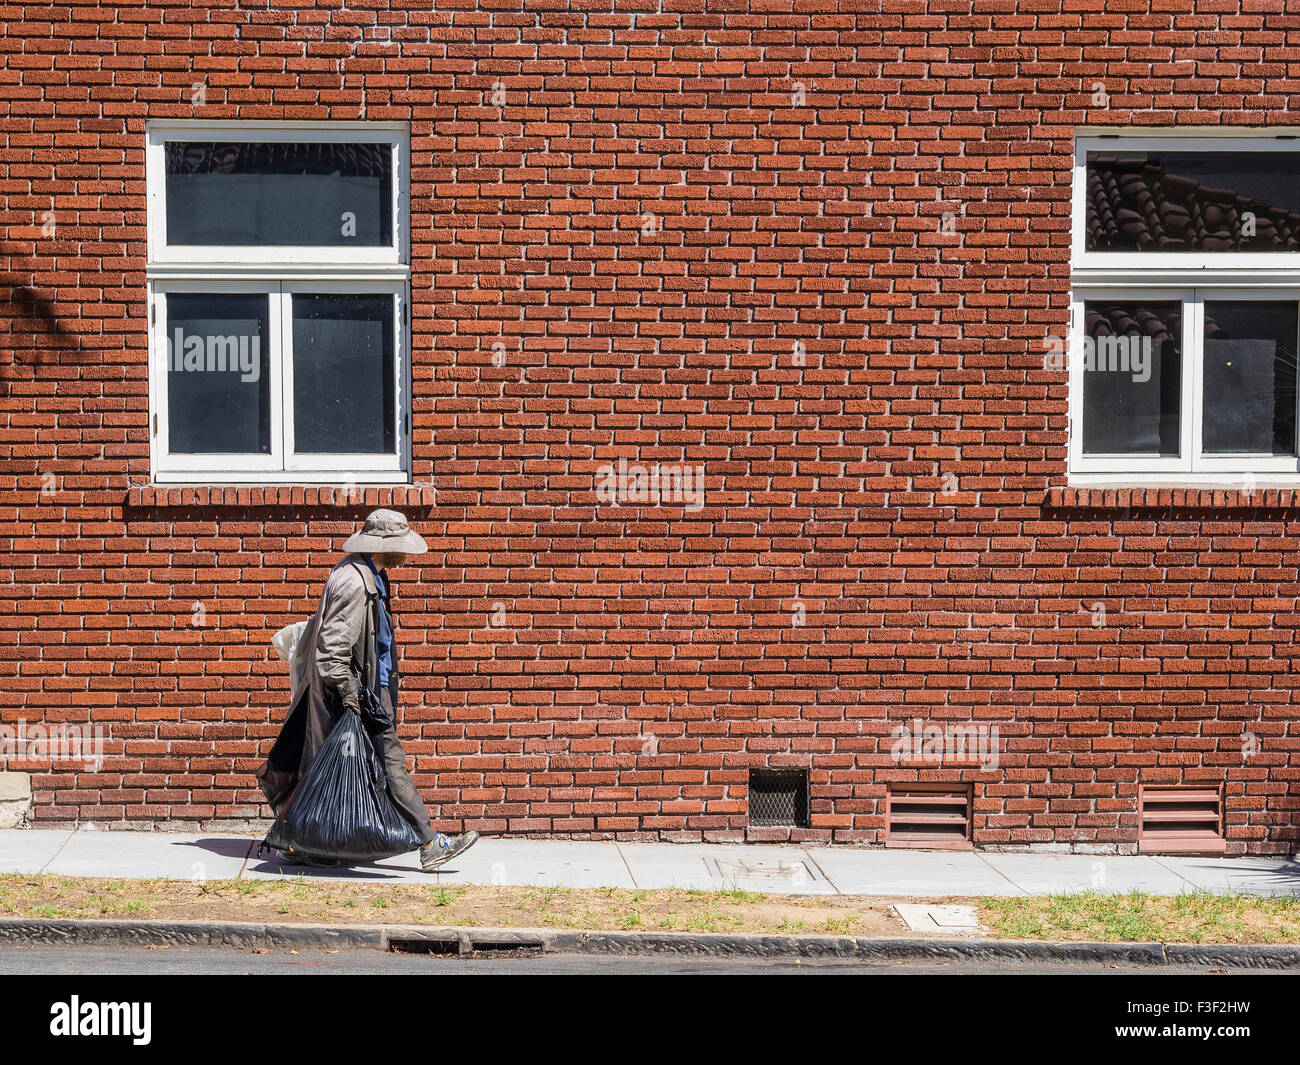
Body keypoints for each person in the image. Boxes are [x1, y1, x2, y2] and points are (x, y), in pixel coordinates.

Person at [257, 508, 479, 871]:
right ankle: (429, 843)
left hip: (364, 691)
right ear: (385, 545)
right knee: (390, 762)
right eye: (403, 547)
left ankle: (303, 841)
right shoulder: (354, 582)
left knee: (326, 769)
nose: (407, 555)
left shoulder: (367, 573)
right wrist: (352, 696)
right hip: (355, 696)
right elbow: (332, 650)